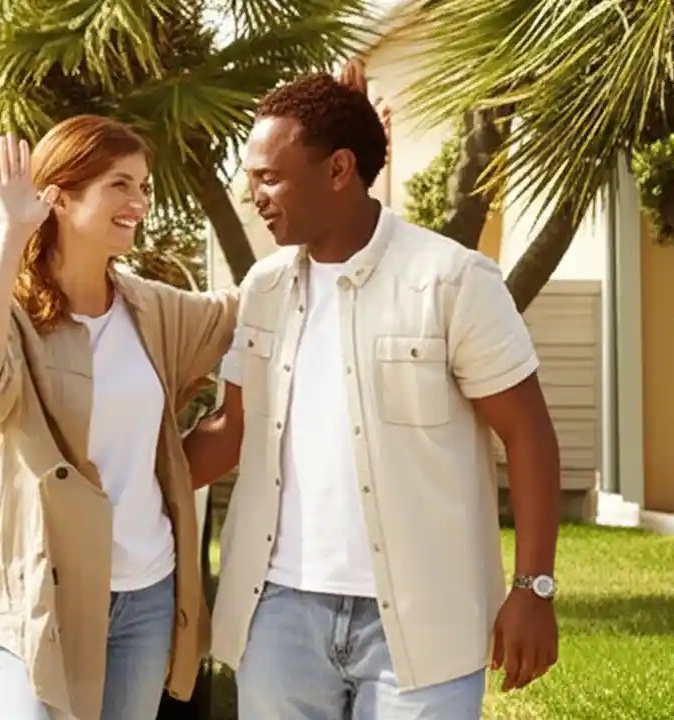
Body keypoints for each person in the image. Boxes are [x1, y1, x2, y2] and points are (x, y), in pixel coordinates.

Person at [183, 73, 562, 719]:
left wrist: (534, 588)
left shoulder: (449, 279)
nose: (258, 198)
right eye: (252, 181)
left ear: (338, 169)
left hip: (422, 619)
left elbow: (527, 434)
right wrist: (117, 478)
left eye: (270, 178)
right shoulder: (265, 288)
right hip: (278, 611)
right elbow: (232, 429)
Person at [0, 115, 237, 720]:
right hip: (34, 596)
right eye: (119, 185)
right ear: (59, 198)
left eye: (143, 186)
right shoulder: (3, 310)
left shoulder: (153, 309)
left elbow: (249, 309)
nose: (139, 202)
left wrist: (344, 178)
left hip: (144, 592)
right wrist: (12, 235)